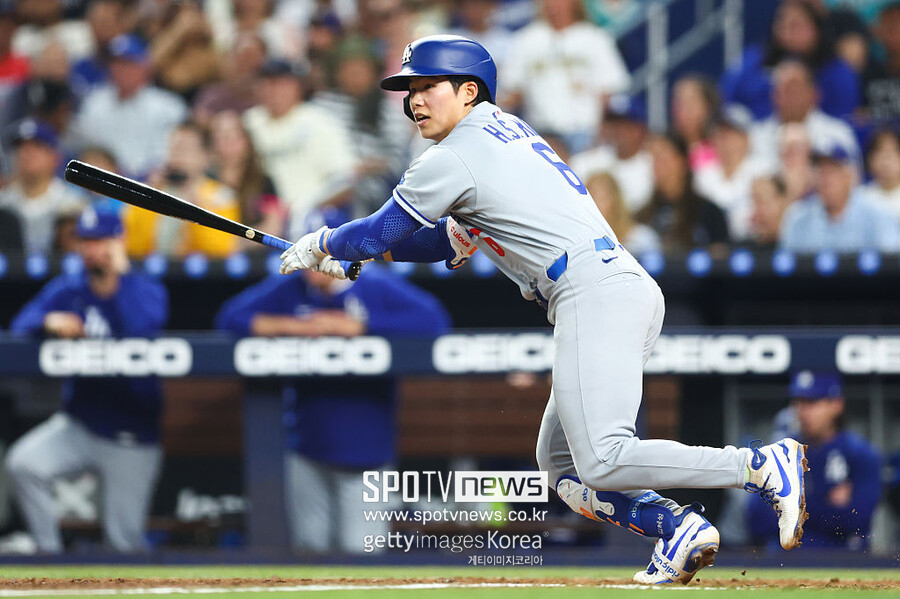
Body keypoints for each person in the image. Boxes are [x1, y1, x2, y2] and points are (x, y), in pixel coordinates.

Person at [279, 34, 809, 585]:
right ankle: (676, 528)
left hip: (591, 289)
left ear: (468, 91)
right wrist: (359, 254)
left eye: (428, 86)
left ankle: (756, 466)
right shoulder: (498, 134)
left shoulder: (455, 153)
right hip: (610, 285)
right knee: (560, 464)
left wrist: (324, 242)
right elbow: (437, 241)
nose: (415, 100)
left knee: (603, 456)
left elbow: (382, 228)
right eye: (409, 90)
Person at [217, 208, 450, 553]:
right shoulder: (292, 286)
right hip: (306, 445)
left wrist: (362, 327)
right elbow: (230, 318)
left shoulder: (374, 285)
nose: (314, 264)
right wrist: (298, 326)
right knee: (309, 550)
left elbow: (434, 321)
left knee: (362, 552)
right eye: (309, 251)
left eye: (322, 252)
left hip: (368, 450)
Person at [5, 207, 167, 553]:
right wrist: (50, 321)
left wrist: (121, 275)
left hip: (131, 435)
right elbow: (21, 324)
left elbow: (142, 327)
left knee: (124, 545)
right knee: (24, 464)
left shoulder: (144, 287)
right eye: (87, 241)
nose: (93, 250)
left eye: (102, 240)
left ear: (120, 241)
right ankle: (49, 556)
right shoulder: (71, 289)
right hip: (79, 424)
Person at [747, 371, 881, 550]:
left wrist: (787, 505)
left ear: (836, 404)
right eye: (798, 402)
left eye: (812, 402)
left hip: (844, 558)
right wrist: (826, 504)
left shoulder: (860, 454)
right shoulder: (779, 454)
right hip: (785, 558)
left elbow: (858, 520)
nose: (803, 412)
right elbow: (756, 520)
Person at [242, 58, 356, 238]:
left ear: (297, 86)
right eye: (268, 83)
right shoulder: (249, 123)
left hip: (313, 216)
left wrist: (306, 205)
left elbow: (346, 181)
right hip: (261, 217)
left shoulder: (321, 122)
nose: (274, 90)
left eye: (281, 83)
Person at [502, 0, 630, 153]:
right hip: (540, 133)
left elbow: (609, 89)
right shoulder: (525, 39)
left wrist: (604, 129)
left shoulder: (595, 37)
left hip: (586, 133)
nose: (553, 4)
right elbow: (513, 90)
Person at [72, 34, 188, 178]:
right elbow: (86, 148)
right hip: (103, 180)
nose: (121, 69)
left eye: (128, 63)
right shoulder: (94, 103)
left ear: (145, 66)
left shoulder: (169, 107)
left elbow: (175, 154)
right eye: (116, 63)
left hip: (154, 182)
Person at [720, 0, 859, 120]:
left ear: (816, 28)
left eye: (796, 26)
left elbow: (844, 117)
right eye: (781, 25)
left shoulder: (838, 72)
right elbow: (726, 101)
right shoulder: (753, 61)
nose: (787, 33)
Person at [123, 121, 240, 258]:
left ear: (205, 156)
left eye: (184, 149)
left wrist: (198, 208)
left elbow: (220, 251)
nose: (177, 155)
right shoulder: (155, 189)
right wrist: (147, 199)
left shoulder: (221, 197)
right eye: (173, 148)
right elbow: (133, 246)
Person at [779, 144, 900, 252]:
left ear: (849, 175)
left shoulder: (878, 215)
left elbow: (892, 264)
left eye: (832, 171)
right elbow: (787, 264)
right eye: (820, 171)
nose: (825, 179)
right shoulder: (799, 218)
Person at [749, 59, 861, 173]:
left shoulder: (838, 134)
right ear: (773, 96)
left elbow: (852, 177)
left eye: (795, 89)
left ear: (813, 93)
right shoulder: (756, 136)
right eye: (784, 90)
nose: (790, 96)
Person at [635, 132, 730, 252]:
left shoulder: (709, 213)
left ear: (682, 161)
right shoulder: (642, 216)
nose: (656, 166)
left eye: (661, 158)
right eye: (652, 160)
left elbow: (721, 255)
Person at [0, 118, 82, 254]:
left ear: (55, 157)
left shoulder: (72, 204)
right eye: (21, 147)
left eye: (37, 146)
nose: (28, 154)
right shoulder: (3, 201)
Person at [694, 105, 771, 242]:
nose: (723, 140)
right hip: (710, 245)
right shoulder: (702, 175)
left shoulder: (764, 170)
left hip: (752, 242)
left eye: (730, 133)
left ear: (746, 138)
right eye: (718, 134)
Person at [208, 110, 285, 242]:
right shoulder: (204, 180)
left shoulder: (262, 181)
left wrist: (237, 244)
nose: (228, 142)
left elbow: (274, 225)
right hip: (208, 248)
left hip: (252, 249)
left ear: (247, 140)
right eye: (221, 136)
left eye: (233, 136)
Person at [570, 94, 653, 214]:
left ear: (641, 129)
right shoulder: (594, 158)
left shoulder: (651, 164)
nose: (620, 131)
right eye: (615, 125)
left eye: (627, 125)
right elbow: (572, 170)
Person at [585, 171, 659, 255]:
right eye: (591, 198)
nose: (595, 204)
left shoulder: (640, 239)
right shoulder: (584, 244)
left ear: (615, 201)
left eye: (600, 197)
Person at [670, 75, 720, 172]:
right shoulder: (664, 152)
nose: (684, 110)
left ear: (708, 107)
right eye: (679, 102)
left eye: (691, 101)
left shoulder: (722, 150)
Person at [864, 128, 900, 218]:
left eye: (890, 155)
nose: (886, 162)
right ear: (870, 160)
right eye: (880, 154)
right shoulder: (862, 197)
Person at [748, 175, 790, 249]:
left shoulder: (799, 245)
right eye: (754, 202)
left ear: (782, 201)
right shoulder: (746, 247)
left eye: (761, 201)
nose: (756, 211)